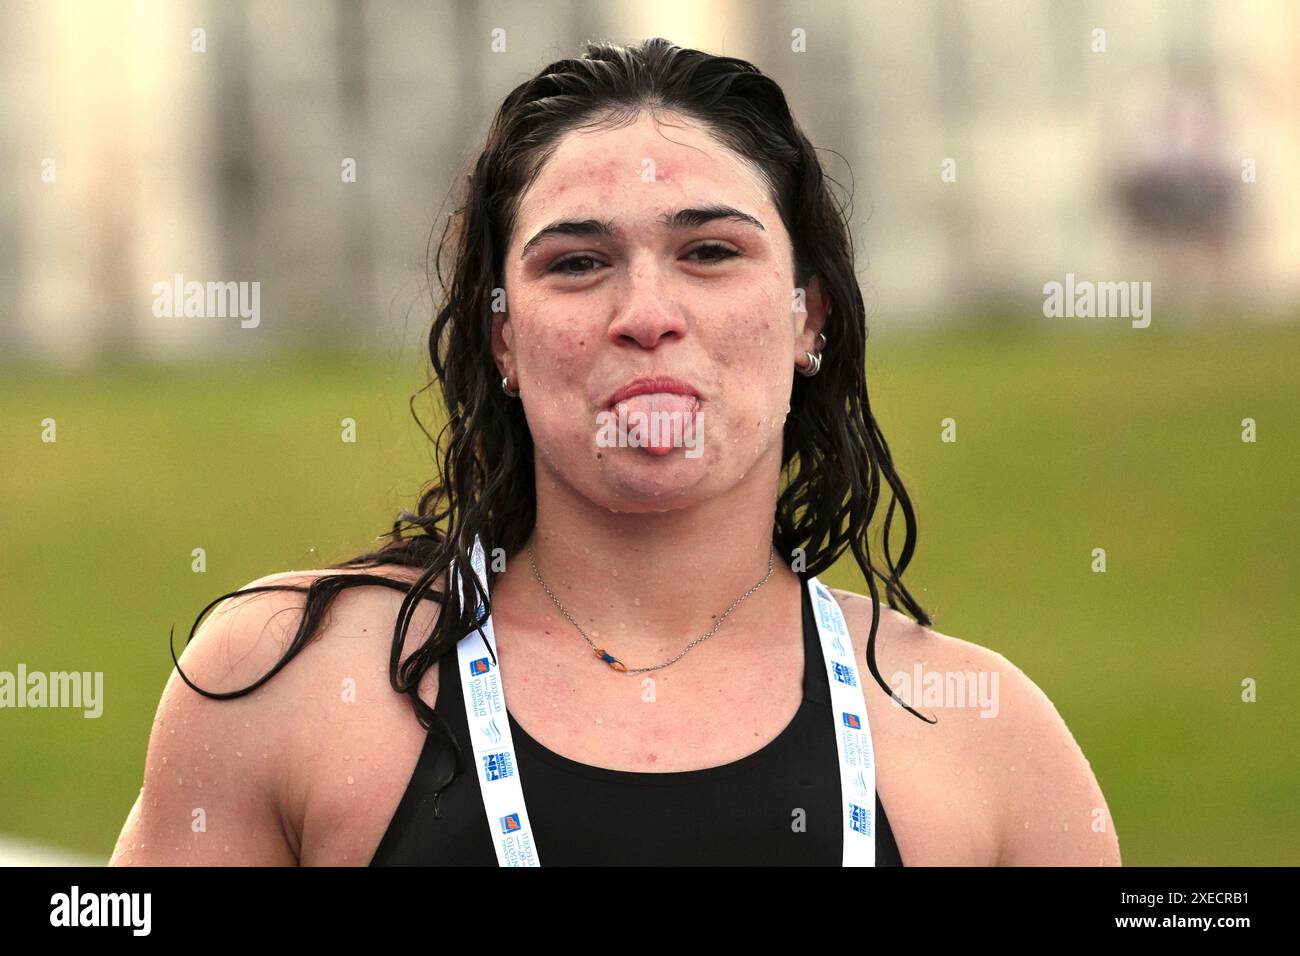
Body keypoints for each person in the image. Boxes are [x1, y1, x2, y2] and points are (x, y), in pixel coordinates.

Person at [110, 37, 1120, 867]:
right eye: (578, 262)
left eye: (710, 252)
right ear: (502, 335)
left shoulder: (983, 744)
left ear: (808, 314)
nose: (645, 314)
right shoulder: (287, 689)